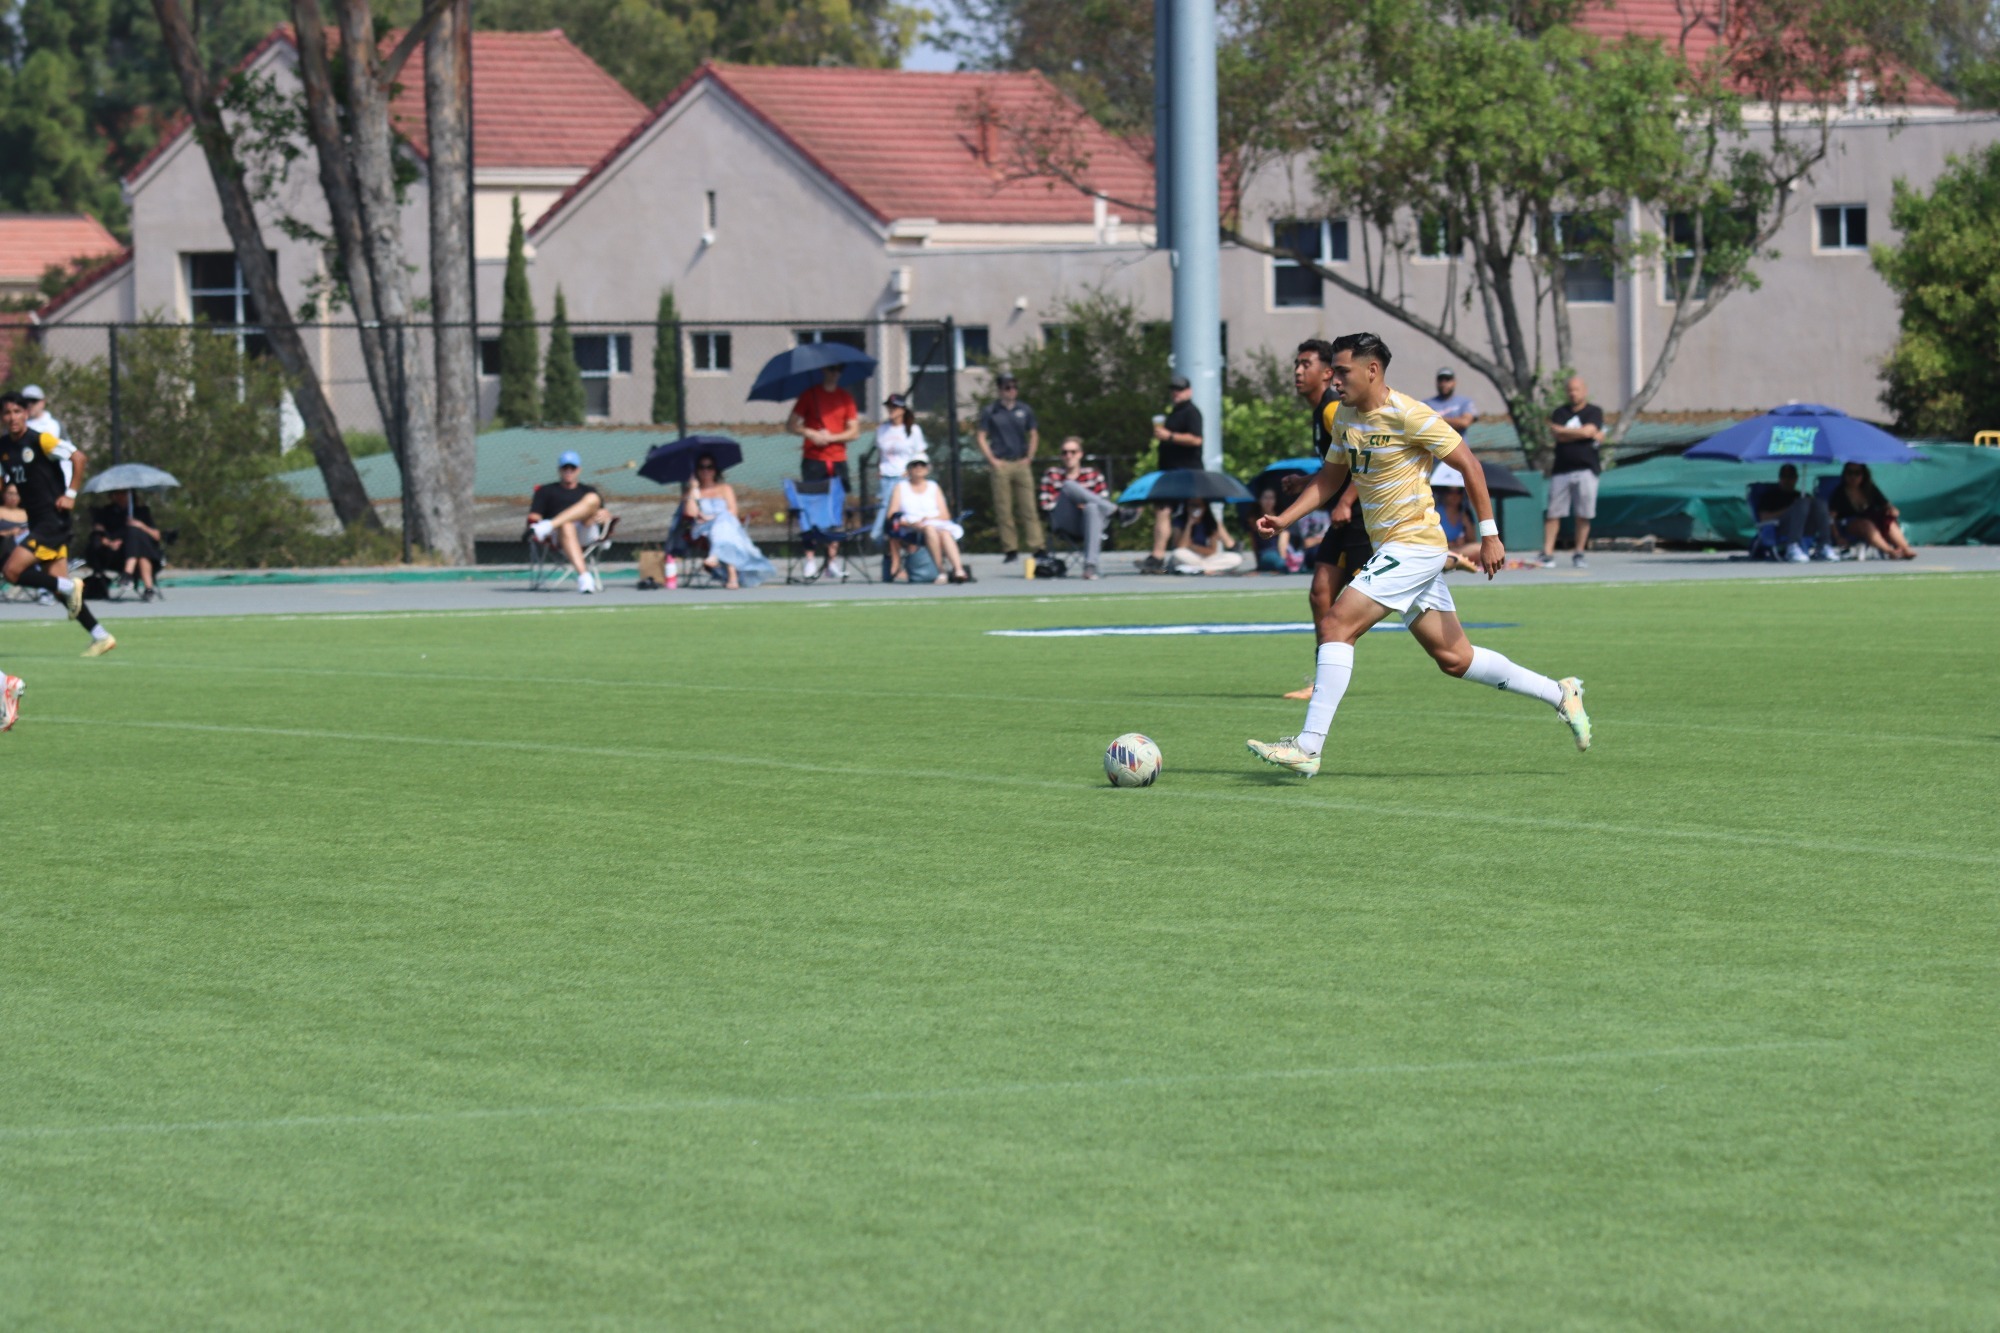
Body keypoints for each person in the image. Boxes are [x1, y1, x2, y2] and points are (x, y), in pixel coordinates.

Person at [1246, 332, 1591, 777]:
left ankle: (1308, 747)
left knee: (1335, 624)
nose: (1334, 380)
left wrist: (1490, 535)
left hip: (1414, 545)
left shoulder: (1410, 414)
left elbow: (1469, 464)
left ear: (1373, 370)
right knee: (1455, 658)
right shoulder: (1346, 416)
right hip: (1396, 548)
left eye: (1343, 371)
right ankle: (1560, 693)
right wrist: (1285, 519)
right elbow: (1330, 479)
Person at [1279, 339, 1375, 700]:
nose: (1298, 371)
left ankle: (1443, 559)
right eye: (1297, 364)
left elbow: (1363, 461)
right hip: (1344, 519)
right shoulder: (1322, 410)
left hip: (1361, 516)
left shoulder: (1333, 409)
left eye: (1306, 364)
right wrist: (1307, 481)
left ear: (1327, 372)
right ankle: (1323, 680)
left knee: (1386, 599)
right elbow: (1336, 467)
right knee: (1321, 593)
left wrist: (1345, 502)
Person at [0, 392, 114, 656]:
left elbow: (79, 458)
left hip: (52, 521)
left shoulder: (41, 440)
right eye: (7, 413)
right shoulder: (4, 447)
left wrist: (70, 494)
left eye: (17, 411)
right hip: (37, 521)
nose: (13, 417)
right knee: (61, 589)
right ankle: (101, 636)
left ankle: (69, 585)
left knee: (12, 572)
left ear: (26, 414)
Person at [787, 364, 862, 579]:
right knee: (810, 509)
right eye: (831, 369)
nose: (834, 373)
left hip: (838, 460)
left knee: (836, 510)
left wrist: (832, 437)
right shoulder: (809, 395)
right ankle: (810, 559)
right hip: (814, 461)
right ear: (823, 371)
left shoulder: (845, 398)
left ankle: (831, 561)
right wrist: (810, 433)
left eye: (838, 370)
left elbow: (854, 432)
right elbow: (791, 425)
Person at [1538, 375, 1604, 568]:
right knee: (1553, 513)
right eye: (1570, 390)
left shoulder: (1594, 412)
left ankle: (1579, 553)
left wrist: (1568, 432)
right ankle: (1547, 553)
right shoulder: (1560, 412)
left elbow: (1589, 431)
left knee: (1583, 513)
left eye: (1577, 390)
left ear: (1584, 391)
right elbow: (1558, 434)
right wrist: (1581, 434)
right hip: (1562, 470)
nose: (1573, 393)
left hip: (1586, 470)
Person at [1141, 375, 1205, 573]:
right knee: (1163, 510)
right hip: (1170, 472)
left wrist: (1170, 436)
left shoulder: (1191, 412)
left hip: (1187, 471)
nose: (1176, 393)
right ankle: (1158, 556)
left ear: (1189, 391)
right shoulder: (1175, 413)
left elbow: (1196, 439)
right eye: (1174, 389)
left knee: (1198, 512)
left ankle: (1227, 544)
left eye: (1180, 389)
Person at [681, 453, 773, 589]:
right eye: (701, 467)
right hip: (703, 529)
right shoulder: (694, 491)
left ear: (715, 470)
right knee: (724, 525)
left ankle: (718, 558)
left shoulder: (725, 489)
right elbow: (690, 513)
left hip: (726, 526)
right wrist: (693, 489)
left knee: (724, 522)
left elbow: (732, 512)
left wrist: (713, 517)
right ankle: (730, 573)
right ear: (697, 471)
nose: (706, 471)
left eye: (709, 467)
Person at [976, 373, 1041, 562]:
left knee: (1029, 507)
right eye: (1007, 387)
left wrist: (1030, 456)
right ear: (1000, 390)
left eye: (1014, 387)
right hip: (1001, 463)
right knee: (1004, 509)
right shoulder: (991, 411)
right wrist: (991, 459)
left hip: (1021, 462)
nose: (1012, 391)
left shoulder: (1024, 410)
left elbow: (1034, 433)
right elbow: (981, 436)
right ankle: (1010, 548)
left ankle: (1037, 546)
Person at [526, 451, 611, 593]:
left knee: (592, 498)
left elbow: (603, 515)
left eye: (572, 468)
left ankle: (549, 525)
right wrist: (536, 524)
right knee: (566, 525)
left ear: (579, 470)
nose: (569, 471)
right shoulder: (545, 491)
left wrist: (606, 515)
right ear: (559, 470)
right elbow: (534, 517)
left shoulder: (588, 490)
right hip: (559, 536)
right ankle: (584, 577)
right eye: (565, 468)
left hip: (586, 531)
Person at [1038, 437, 1117, 579]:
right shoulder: (1052, 474)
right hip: (1064, 522)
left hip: (1091, 523)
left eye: (1073, 452)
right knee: (1069, 485)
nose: (1069, 456)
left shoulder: (1094, 474)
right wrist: (1074, 501)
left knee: (1092, 507)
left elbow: (1102, 501)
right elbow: (1045, 504)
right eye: (1065, 452)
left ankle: (1090, 566)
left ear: (1080, 454)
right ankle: (1116, 511)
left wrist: (1085, 504)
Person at [887, 456, 972, 583]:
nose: (918, 468)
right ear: (909, 469)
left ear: (927, 469)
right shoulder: (900, 487)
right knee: (929, 529)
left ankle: (958, 570)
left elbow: (945, 515)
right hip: (911, 528)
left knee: (944, 533)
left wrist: (929, 519)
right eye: (915, 465)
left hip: (936, 524)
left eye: (922, 465)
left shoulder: (933, 486)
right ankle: (941, 570)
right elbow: (892, 515)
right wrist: (910, 524)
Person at [871, 393, 926, 577]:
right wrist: (880, 469)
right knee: (881, 530)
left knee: (902, 524)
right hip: (886, 481)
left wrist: (910, 473)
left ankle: (902, 564)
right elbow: (881, 454)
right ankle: (895, 562)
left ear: (903, 409)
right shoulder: (882, 429)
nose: (891, 410)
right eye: (889, 407)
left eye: (895, 407)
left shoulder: (913, 430)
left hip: (904, 481)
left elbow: (920, 455)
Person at [1753, 463, 1840, 563]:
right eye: (1784, 476)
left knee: (1819, 503)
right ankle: (1792, 545)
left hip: (1806, 527)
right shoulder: (1770, 496)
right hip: (1780, 527)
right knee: (1801, 504)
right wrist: (1791, 509)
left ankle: (1824, 545)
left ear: (1796, 478)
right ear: (1779, 478)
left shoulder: (1801, 495)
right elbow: (1764, 518)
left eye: (1790, 477)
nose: (1787, 480)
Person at [1829, 462, 1916, 559]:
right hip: (1849, 524)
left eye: (1857, 473)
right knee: (1866, 525)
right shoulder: (1840, 492)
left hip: (1872, 519)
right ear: (1844, 474)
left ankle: (1905, 549)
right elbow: (1831, 518)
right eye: (1849, 473)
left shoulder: (1870, 489)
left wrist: (1892, 510)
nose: (1853, 477)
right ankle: (1890, 551)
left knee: (1889, 523)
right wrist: (1838, 537)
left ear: (1863, 475)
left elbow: (1886, 505)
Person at [90, 490, 167, 599]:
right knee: (139, 544)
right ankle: (148, 587)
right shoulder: (106, 512)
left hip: (144, 553)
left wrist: (141, 525)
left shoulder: (141, 511)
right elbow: (97, 536)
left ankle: (128, 574)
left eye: (124, 493)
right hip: (118, 553)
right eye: (118, 493)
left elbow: (157, 536)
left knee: (136, 535)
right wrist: (110, 543)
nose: (120, 496)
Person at [1429, 464, 1485, 570]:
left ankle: (1454, 561)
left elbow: (1472, 540)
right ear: (1444, 493)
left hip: (1458, 551)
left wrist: (1466, 524)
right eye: (1450, 492)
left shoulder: (1465, 514)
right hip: (1439, 551)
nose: (1454, 496)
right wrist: (1449, 544)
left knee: (1480, 549)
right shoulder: (1435, 511)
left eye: (1458, 492)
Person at [1168, 503, 1246, 574]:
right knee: (1178, 553)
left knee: (1236, 558)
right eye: (1193, 506)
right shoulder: (1179, 521)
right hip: (1190, 556)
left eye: (1198, 506)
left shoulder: (1210, 523)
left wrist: (1193, 547)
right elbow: (1181, 546)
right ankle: (1205, 569)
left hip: (1207, 558)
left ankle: (1200, 569)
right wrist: (1189, 524)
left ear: (1205, 508)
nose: (1195, 509)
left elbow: (1212, 551)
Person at [1251, 488, 1294, 572]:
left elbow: (1283, 543)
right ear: (1260, 500)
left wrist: (1282, 559)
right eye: (1266, 498)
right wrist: (1258, 565)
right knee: (1275, 559)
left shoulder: (1280, 519)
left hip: (1279, 553)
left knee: (1280, 561)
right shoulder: (1254, 519)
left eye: (1271, 498)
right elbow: (1254, 544)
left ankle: (1282, 565)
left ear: (1275, 501)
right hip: (1265, 554)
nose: (1268, 501)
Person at [1423, 368, 1477, 434]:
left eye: (1447, 380)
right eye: (1441, 380)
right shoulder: (1426, 403)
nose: (1444, 384)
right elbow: (1422, 423)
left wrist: (1434, 419)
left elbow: (1465, 422)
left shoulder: (1465, 402)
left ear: (1454, 382)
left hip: (1458, 440)